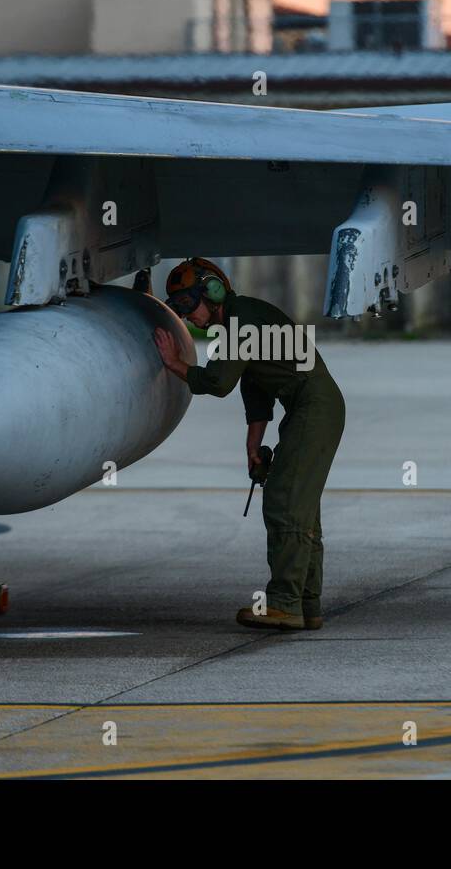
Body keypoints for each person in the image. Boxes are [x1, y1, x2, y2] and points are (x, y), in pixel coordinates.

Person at [153, 258, 344, 632]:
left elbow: (220, 381)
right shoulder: (245, 319)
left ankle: (284, 603)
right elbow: (255, 385)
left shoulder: (242, 323)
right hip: (311, 408)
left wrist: (176, 364)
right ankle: (307, 604)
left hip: (313, 409)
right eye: (179, 309)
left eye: (188, 305)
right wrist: (253, 443)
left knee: (285, 503)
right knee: (302, 510)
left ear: (213, 292)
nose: (187, 316)